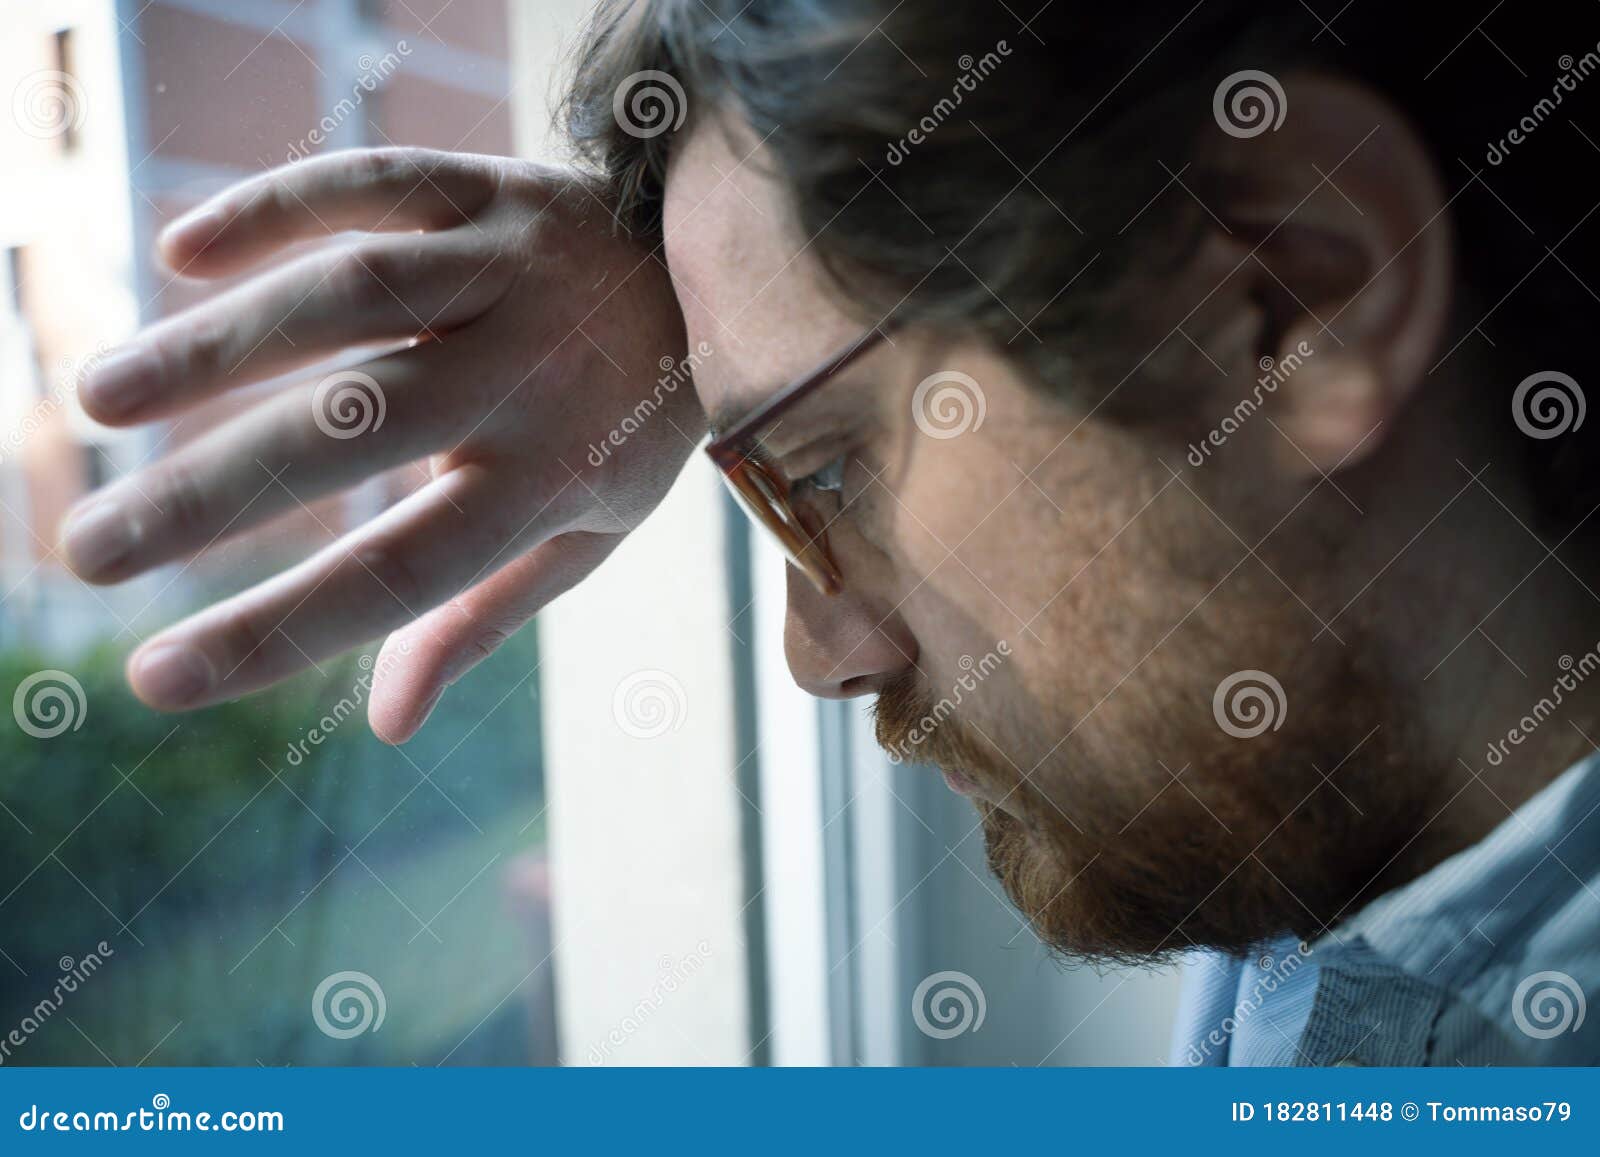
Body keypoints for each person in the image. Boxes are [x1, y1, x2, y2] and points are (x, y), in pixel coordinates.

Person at [56, 1, 1600, 1065]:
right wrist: (712, 296)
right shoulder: (1352, 835)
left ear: (1294, 295)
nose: (825, 648)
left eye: (833, 475)